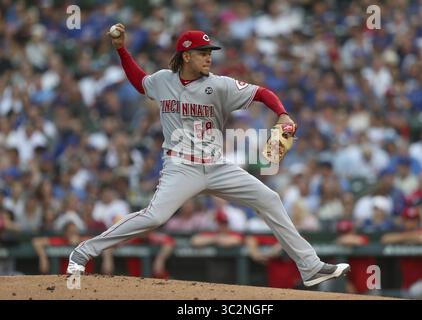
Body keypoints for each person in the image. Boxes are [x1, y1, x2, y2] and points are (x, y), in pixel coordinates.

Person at [67, 24, 349, 287]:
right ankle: (82, 252)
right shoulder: (164, 81)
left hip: (217, 165)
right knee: (154, 217)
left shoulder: (220, 85)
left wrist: (282, 113)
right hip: (181, 166)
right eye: (203, 53)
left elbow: (262, 93)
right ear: (186, 56)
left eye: (210, 52)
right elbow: (140, 82)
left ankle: (310, 267)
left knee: (269, 199)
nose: (209, 57)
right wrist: (120, 49)